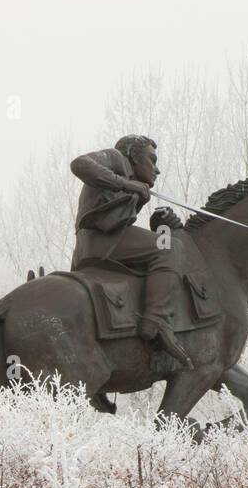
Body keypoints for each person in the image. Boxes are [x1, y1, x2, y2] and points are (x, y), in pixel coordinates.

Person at [70, 134, 192, 368]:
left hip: (97, 245)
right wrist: (126, 184)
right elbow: (79, 164)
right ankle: (157, 321)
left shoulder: (132, 182)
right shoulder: (116, 159)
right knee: (169, 247)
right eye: (152, 160)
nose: (156, 170)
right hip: (102, 243)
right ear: (133, 157)